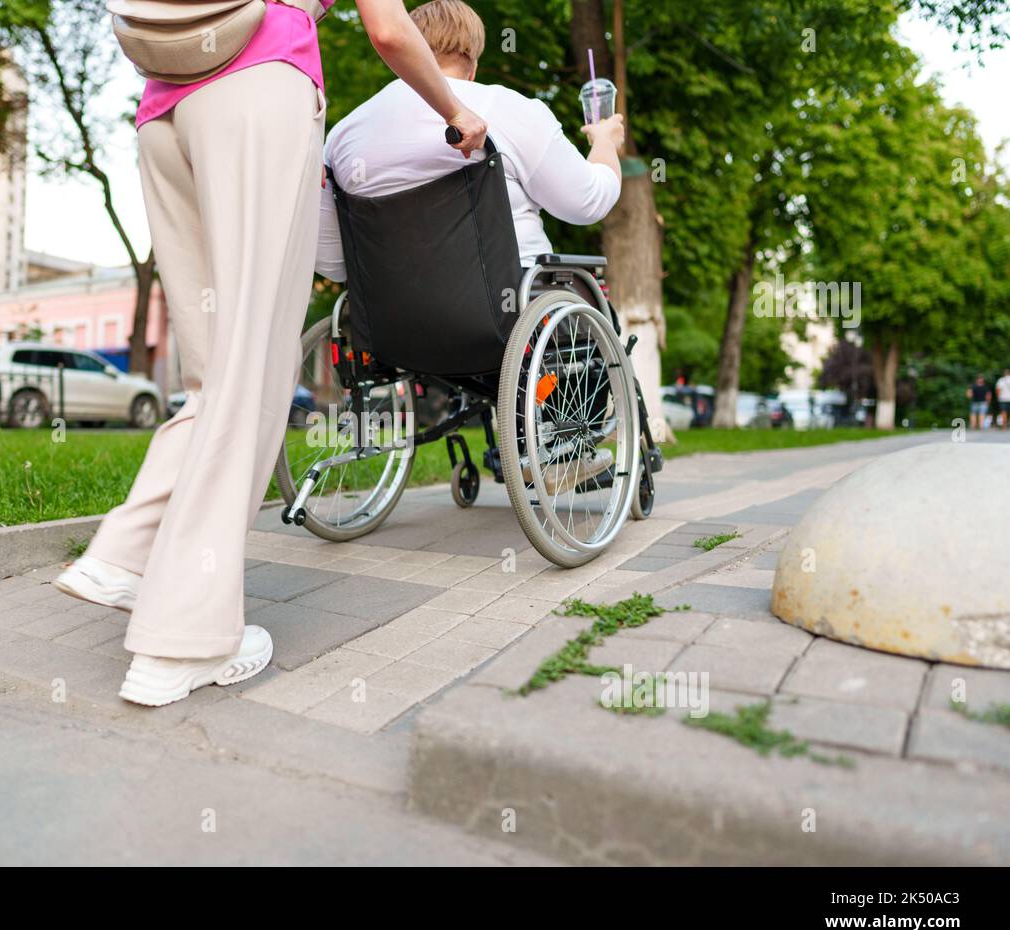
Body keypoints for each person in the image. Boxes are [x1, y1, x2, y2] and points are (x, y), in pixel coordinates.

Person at [51, 0, 486, 708]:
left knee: (218, 376)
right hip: (257, 93)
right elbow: (386, 26)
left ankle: (124, 555)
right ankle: (182, 642)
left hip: (162, 107)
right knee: (251, 374)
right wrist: (455, 111)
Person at [315, 0, 624, 282]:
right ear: (472, 65)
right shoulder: (508, 108)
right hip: (509, 309)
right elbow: (587, 202)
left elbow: (334, 262)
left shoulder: (343, 135)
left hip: (389, 323)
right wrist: (605, 141)